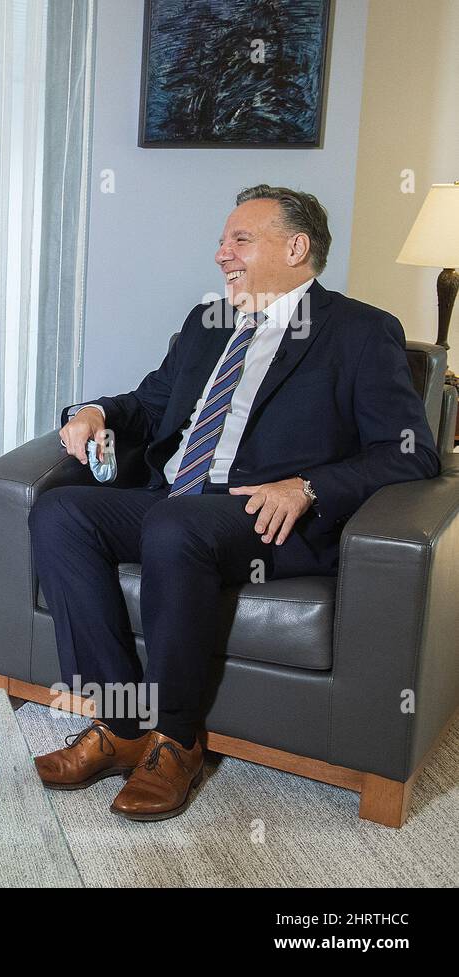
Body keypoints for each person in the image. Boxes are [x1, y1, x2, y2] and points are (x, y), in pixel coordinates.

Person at [30, 185, 440, 821]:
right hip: (180, 502)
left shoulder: (361, 332)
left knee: (174, 525)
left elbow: (411, 452)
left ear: (297, 248)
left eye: (240, 240)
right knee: (60, 509)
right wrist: (92, 412)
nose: (221, 253)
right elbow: (151, 402)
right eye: (223, 241)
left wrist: (308, 488)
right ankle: (121, 723)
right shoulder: (207, 322)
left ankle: (178, 738)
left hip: (265, 516)